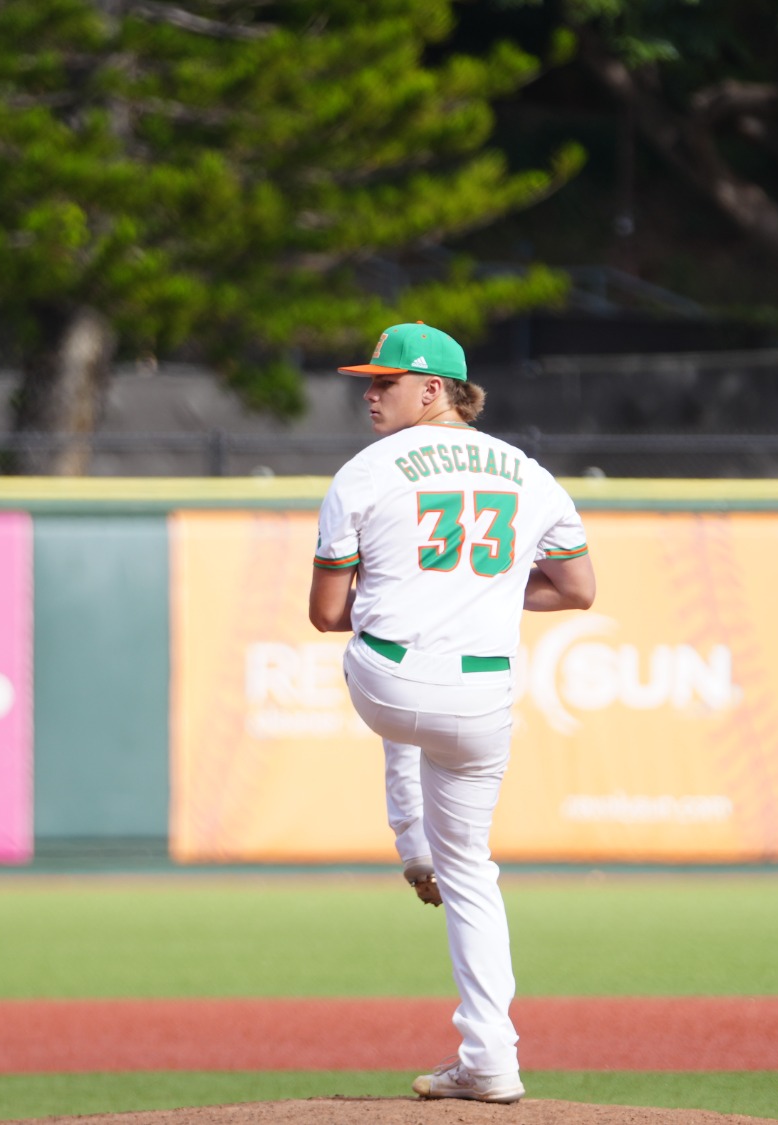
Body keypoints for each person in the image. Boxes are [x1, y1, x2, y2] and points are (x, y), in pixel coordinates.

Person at [308, 322, 596, 1103]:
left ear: (432, 389)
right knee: (476, 872)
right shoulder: (531, 475)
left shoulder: (363, 474)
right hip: (483, 695)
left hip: (388, 681)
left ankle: (413, 843)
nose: (369, 394)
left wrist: (409, 598)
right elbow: (578, 590)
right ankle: (492, 1059)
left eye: (384, 381)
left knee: (399, 692)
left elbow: (327, 613)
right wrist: (489, 595)